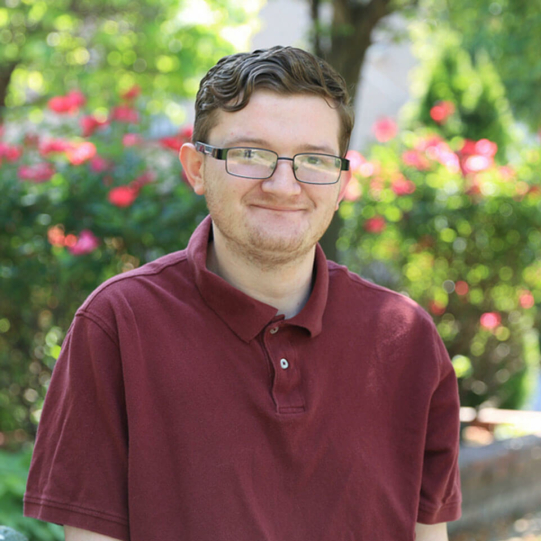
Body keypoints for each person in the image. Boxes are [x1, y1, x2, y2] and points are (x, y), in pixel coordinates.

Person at [24, 46, 461, 541]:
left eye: (314, 160)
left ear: (341, 183)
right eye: (250, 154)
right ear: (196, 168)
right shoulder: (118, 325)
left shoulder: (406, 339)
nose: (283, 185)